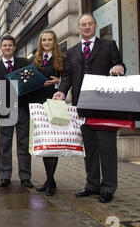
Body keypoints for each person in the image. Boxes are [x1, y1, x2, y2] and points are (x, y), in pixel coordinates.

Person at [53, 13, 126, 203]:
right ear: (79, 28)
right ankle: (92, 184)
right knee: (90, 148)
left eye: (90, 24)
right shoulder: (72, 51)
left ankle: (108, 187)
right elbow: (67, 76)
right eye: (83, 25)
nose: (86, 27)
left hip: (104, 106)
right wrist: (62, 92)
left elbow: (119, 64)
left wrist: (119, 68)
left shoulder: (108, 46)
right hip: (82, 106)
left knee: (107, 148)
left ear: (95, 26)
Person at [0, 35, 33, 188]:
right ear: (0, 48)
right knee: (5, 145)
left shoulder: (25, 63)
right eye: (4, 45)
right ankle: (5, 176)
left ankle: (25, 177)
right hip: (5, 111)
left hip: (22, 110)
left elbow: (30, 85)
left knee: (24, 145)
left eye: (10, 45)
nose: (7, 48)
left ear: (14, 47)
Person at [29, 29, 63, 196]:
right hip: (39, 106)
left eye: (50, 40)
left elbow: (68, 80)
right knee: (44, 144)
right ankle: (50, 180)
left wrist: (59, 82)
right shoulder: (37, 61)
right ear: (40, 43)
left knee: (53, 144)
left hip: (54, 105)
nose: (47, 43)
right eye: (44, 40)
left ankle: (50, 182)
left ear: (54, 41)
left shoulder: (61, 60)